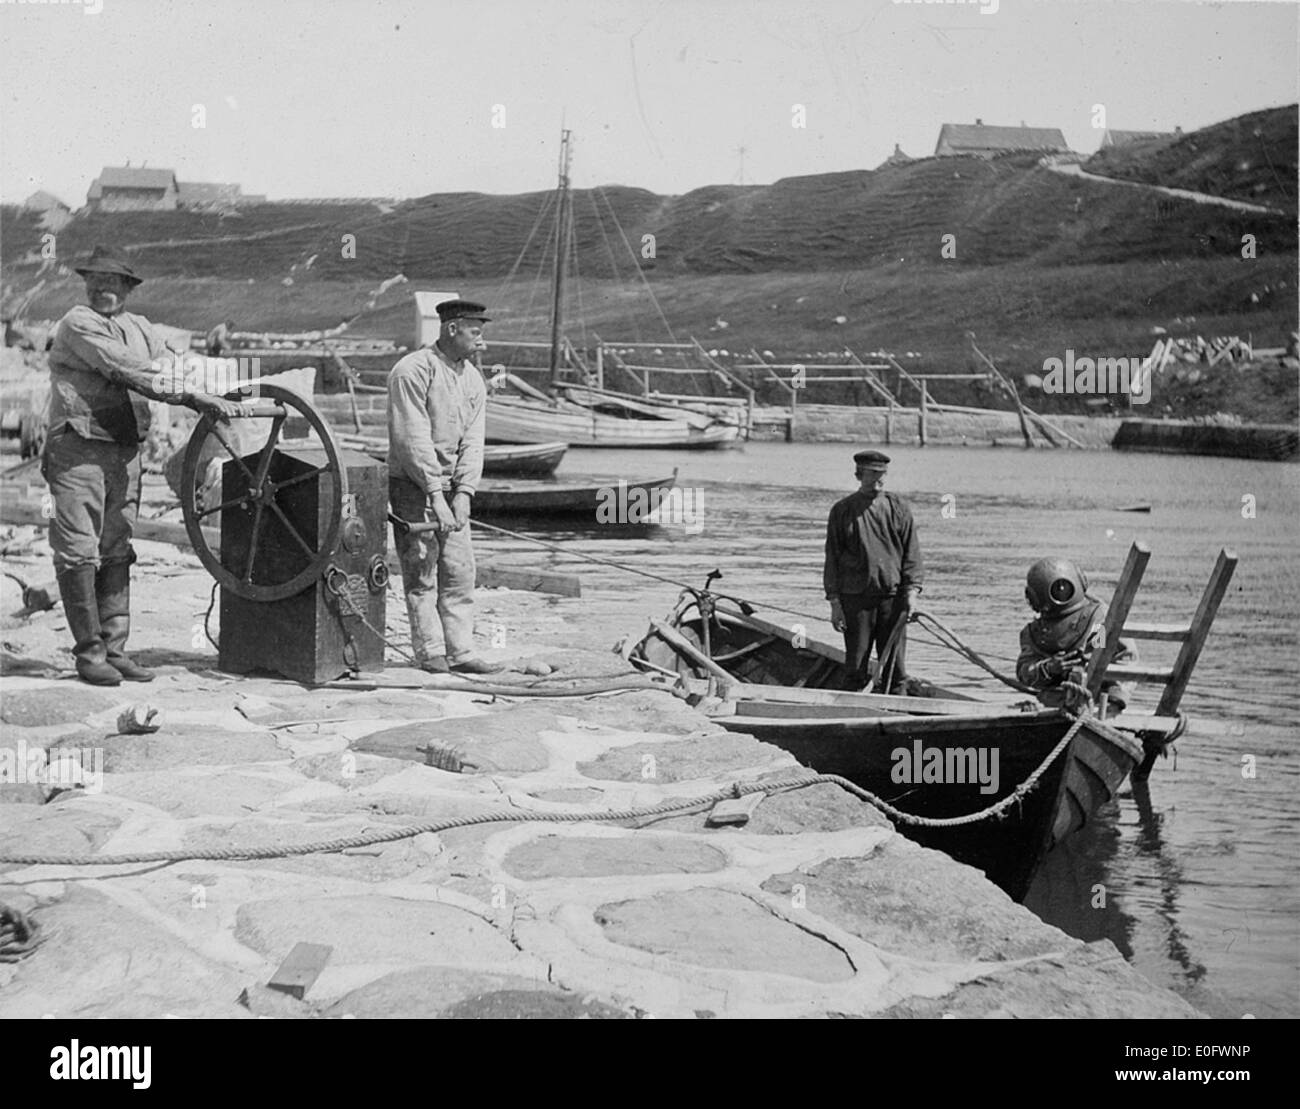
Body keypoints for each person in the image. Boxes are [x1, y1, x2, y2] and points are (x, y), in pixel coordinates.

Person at [44, 245, 243, 685]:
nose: (102, 289)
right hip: (77, 450)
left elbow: (174, 361)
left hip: (124, 450)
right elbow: (129, 369)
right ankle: (89, 652)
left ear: (128, 288)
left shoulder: (138, 326)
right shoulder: (78, 323)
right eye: (95, 280)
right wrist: (192, 396)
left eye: (113, 282)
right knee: (78, 549)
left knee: (117, 546)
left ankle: (115, 648)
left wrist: (227, 385)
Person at [386, 299, 501, 675]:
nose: (480, 340)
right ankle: (430, 650)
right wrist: (435, 494)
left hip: (453, 487)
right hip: (413, 485)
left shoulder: (472, 380)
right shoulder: (412, 371)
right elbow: (411, 438)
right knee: (421, 570)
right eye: (475, 331)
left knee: (460, 571)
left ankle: (462, 651)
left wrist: (465, 493)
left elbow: (474, 441)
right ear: (452, 329)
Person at [824, 449, 923, 693]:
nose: (880, 479)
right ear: (859, 475)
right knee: (855, 666)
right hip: (856, 601)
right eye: (873, 474)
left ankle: (896, 713)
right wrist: (835, 603)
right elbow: (832, 560)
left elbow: (912, 553)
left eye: (883, 474)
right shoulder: (842, 511)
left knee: (896, 670)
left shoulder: (898, 507)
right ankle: (853, 714)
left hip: (893, 599)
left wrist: (912, 592)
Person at [1016, 557, 1136, 713]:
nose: (1061, 591)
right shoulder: (1035, 634)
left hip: (1100, 703)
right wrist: (1049, 667)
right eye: (1057, 588)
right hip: (1055, 703)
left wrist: (1116, 697)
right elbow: (1025, 671)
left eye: (1063, 587)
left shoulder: (1099, 621)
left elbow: (1120, 655)